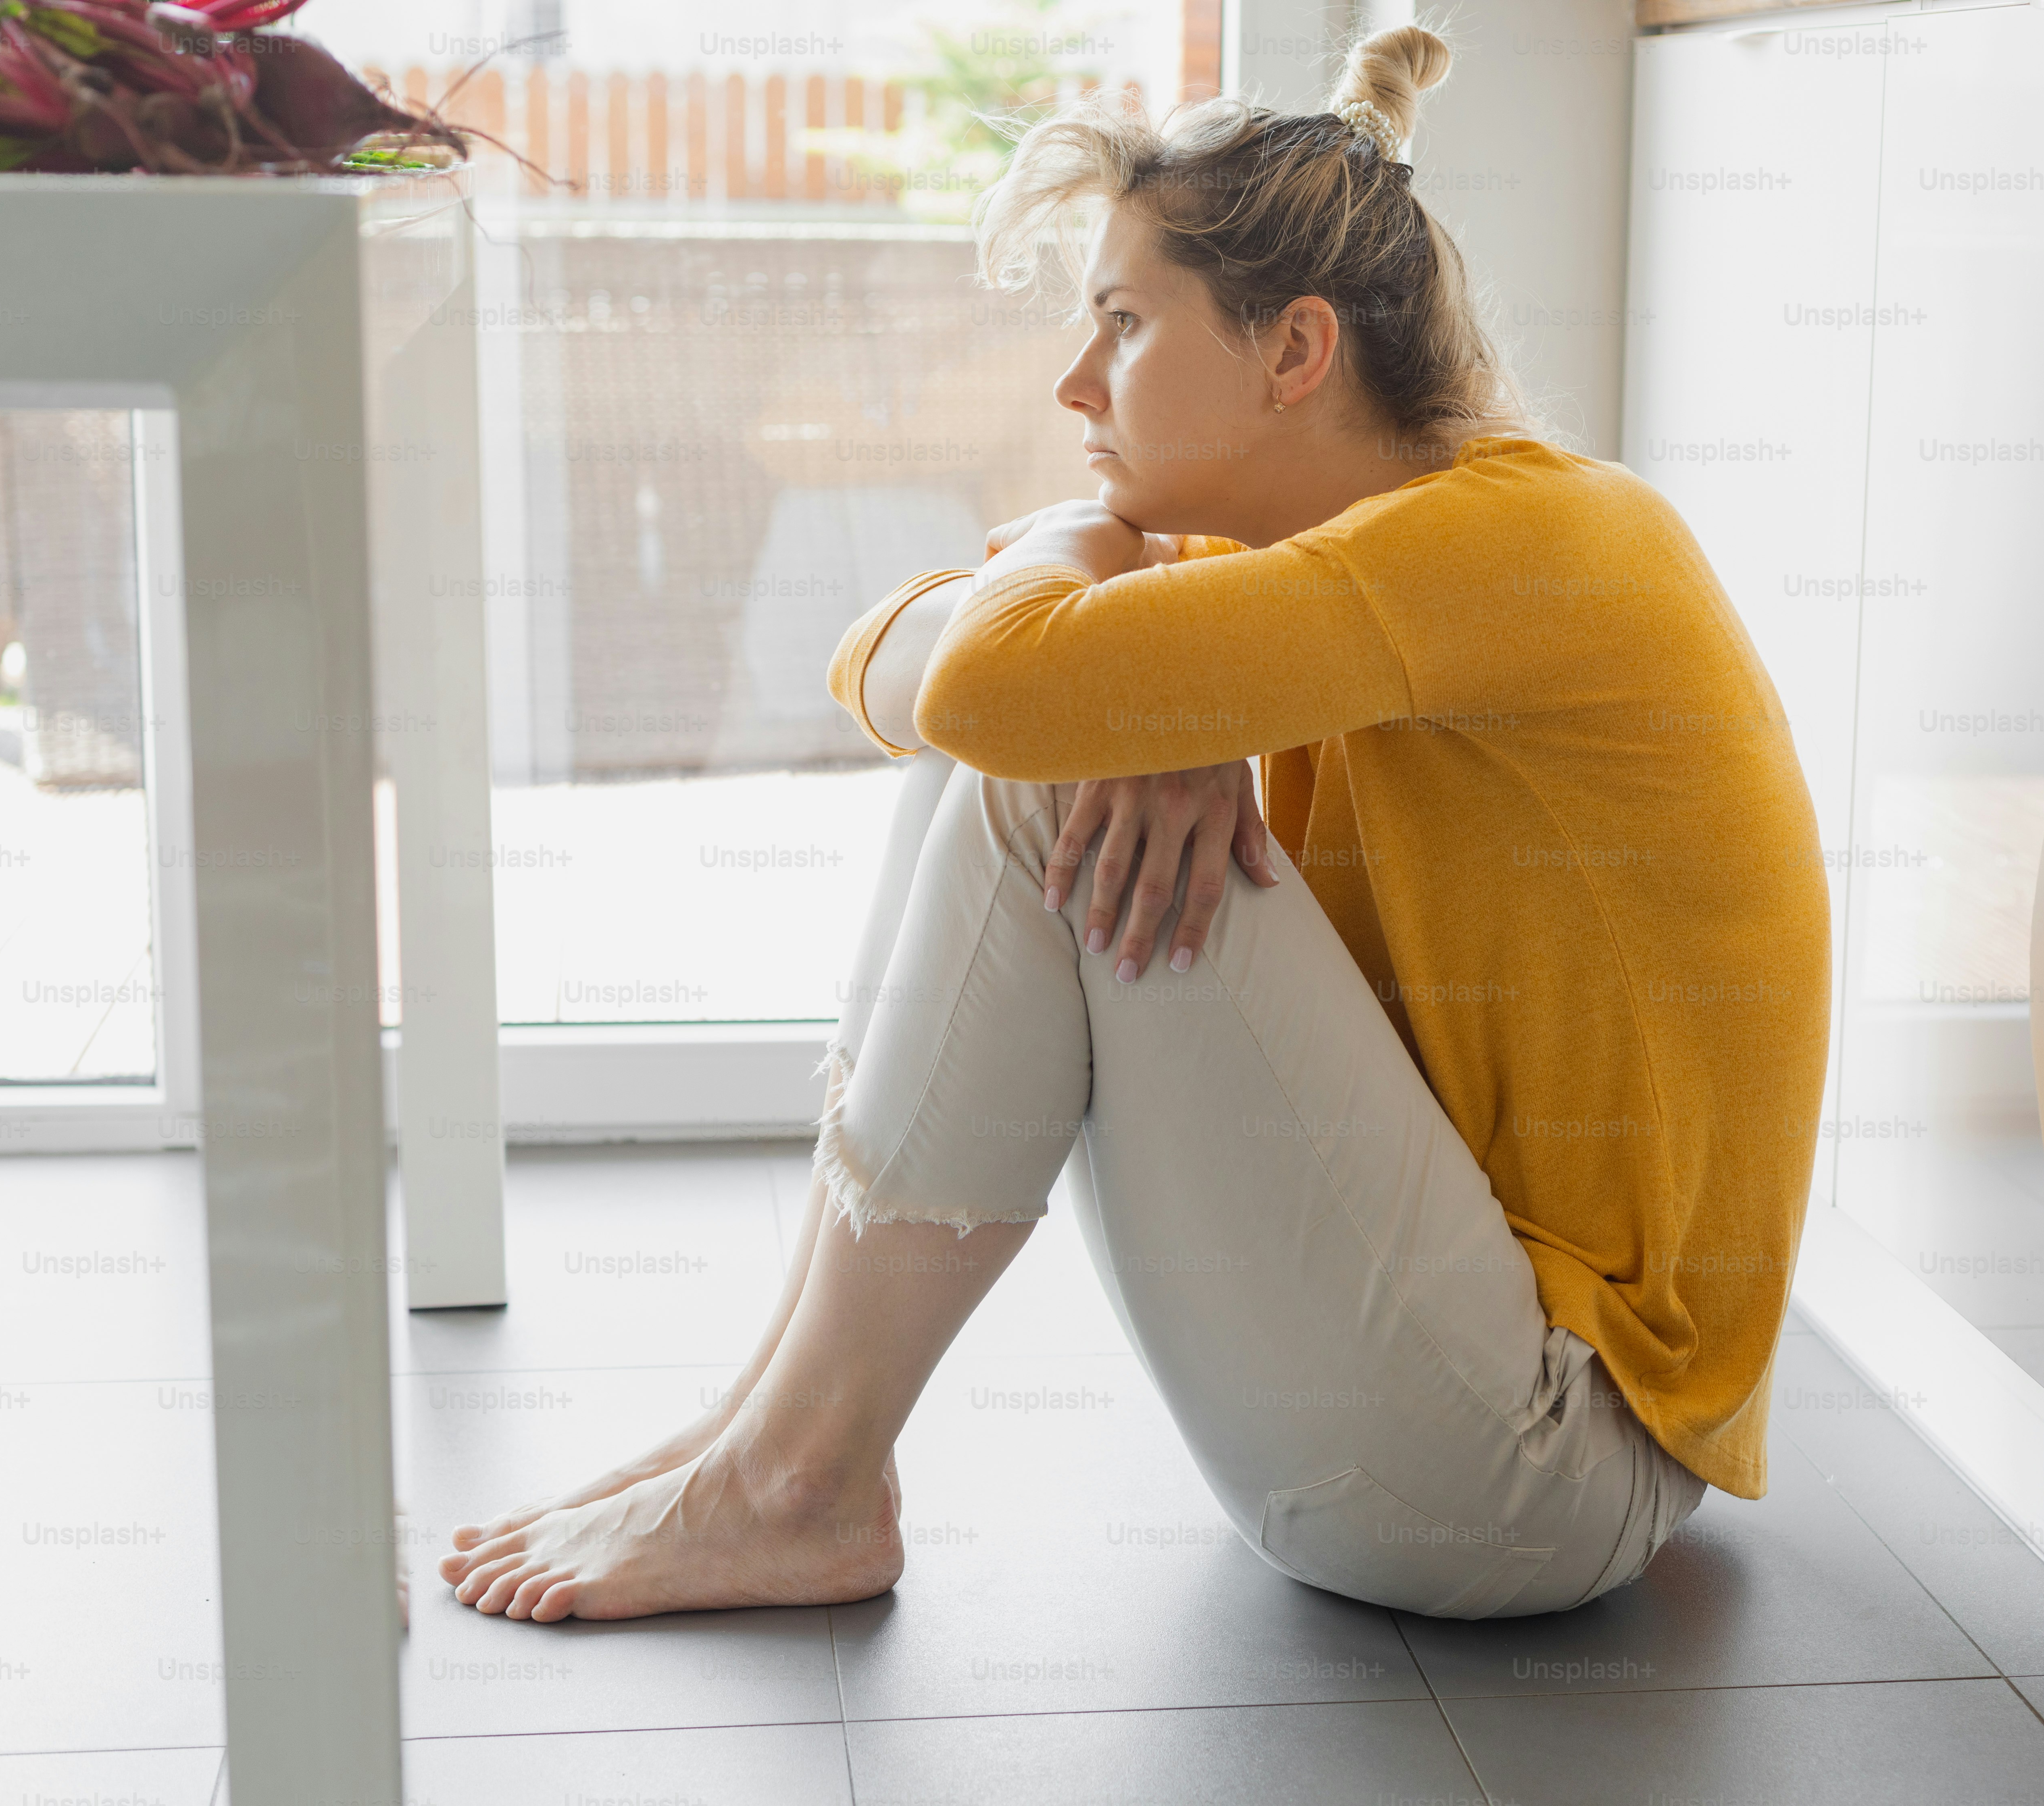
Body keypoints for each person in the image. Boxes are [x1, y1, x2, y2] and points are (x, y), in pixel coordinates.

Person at [439, 24, 1830, 1625]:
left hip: (1541, 1467)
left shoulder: (1527, 545)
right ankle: (776, 1426)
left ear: (1295, 350)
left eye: (1121, 323)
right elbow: (893, 662)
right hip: (1434, 1420)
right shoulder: (1330, 559)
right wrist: (1103, 641)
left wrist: (1066, 548)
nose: (1073, 382)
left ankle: (797, 1475)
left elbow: (982, 682)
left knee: (1041, 760)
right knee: (1041, 741)